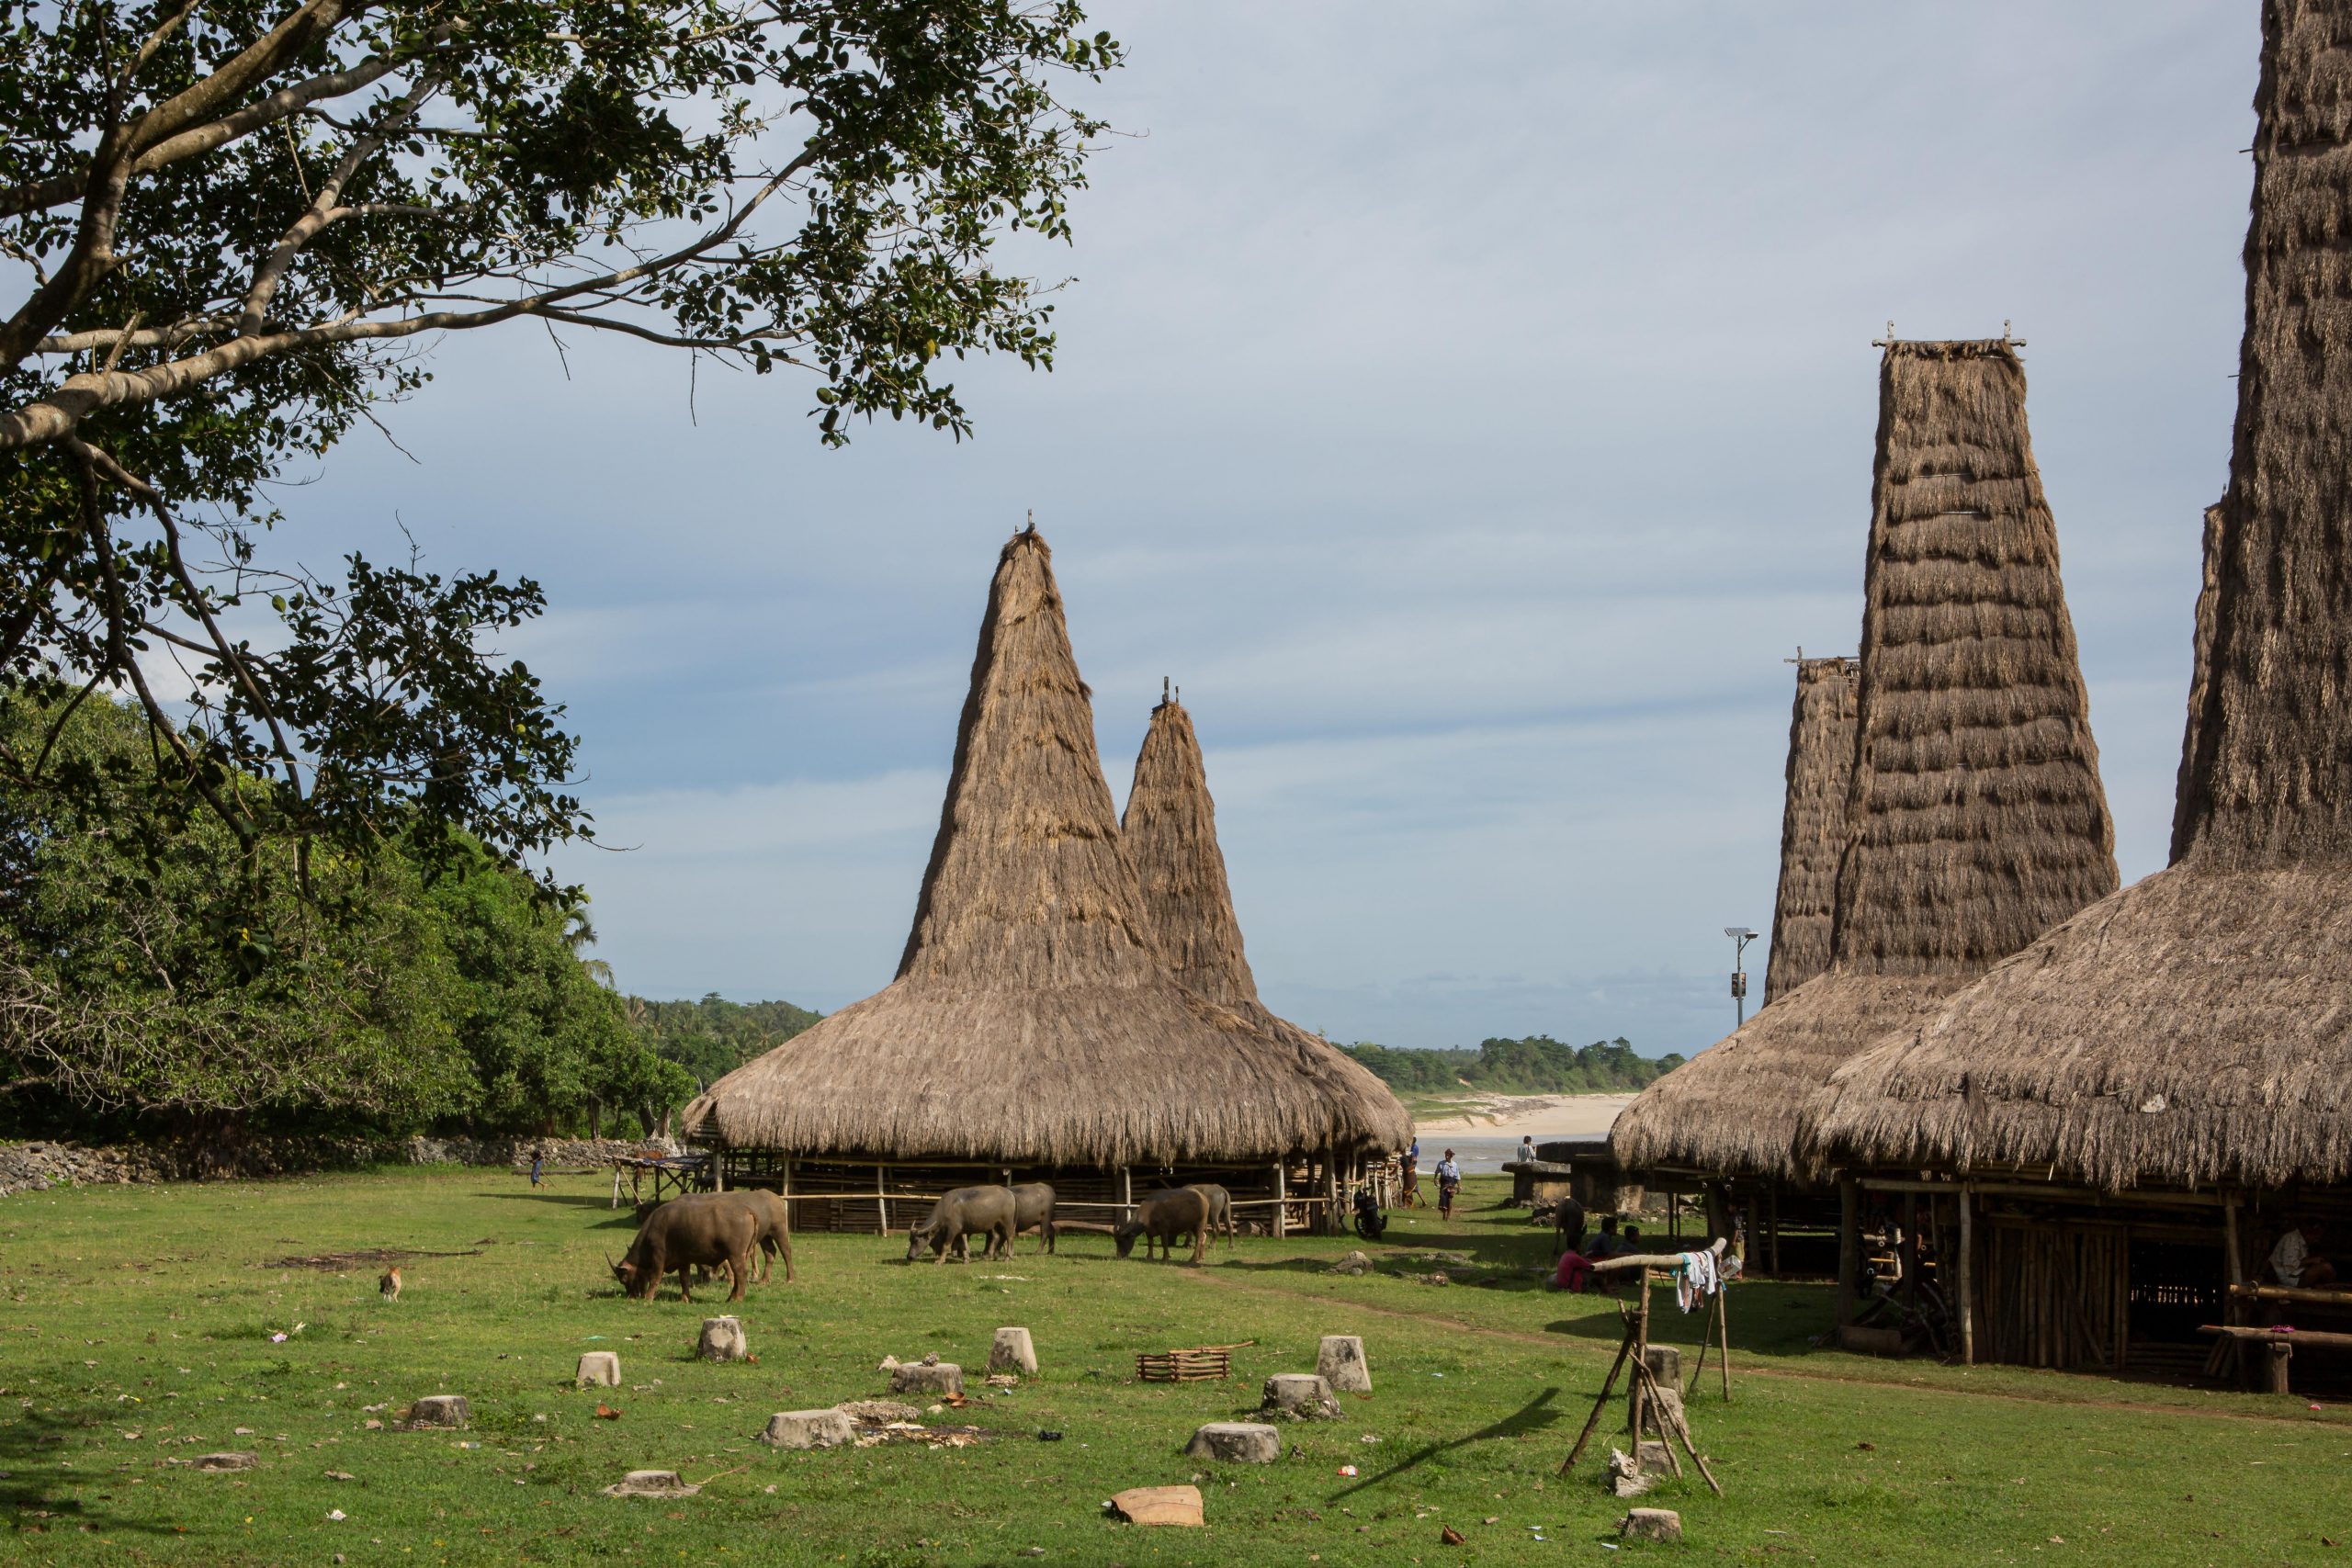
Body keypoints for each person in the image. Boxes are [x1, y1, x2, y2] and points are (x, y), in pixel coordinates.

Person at [2270, 1220, 2338, 1288]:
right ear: (2309, 1233)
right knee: (2326, 1267)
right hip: (2289, 1279)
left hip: (2296, 1275)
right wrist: (2311, 1260)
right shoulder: (2292, 1239)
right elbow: (2290, 1265)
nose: (2316, 1241)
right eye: (2316, 1237)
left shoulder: (2303, 1243)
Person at [1435, 1148, 1462, 1219]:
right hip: (1443, 1182)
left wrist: (1459, 1186)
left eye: (1448, 1155)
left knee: (1449, 1199)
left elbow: (1457, 1176)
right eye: (1445, 1155)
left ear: (1451, 1156)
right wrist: (1435, 1179)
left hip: (1451, 1182)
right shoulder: (1441, 1163)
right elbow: (1437, 1172)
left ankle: (1448, 1215)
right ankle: (1444, 1214)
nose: (1446, 1157)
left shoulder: (1455, 1164)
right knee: (1443, 1197)